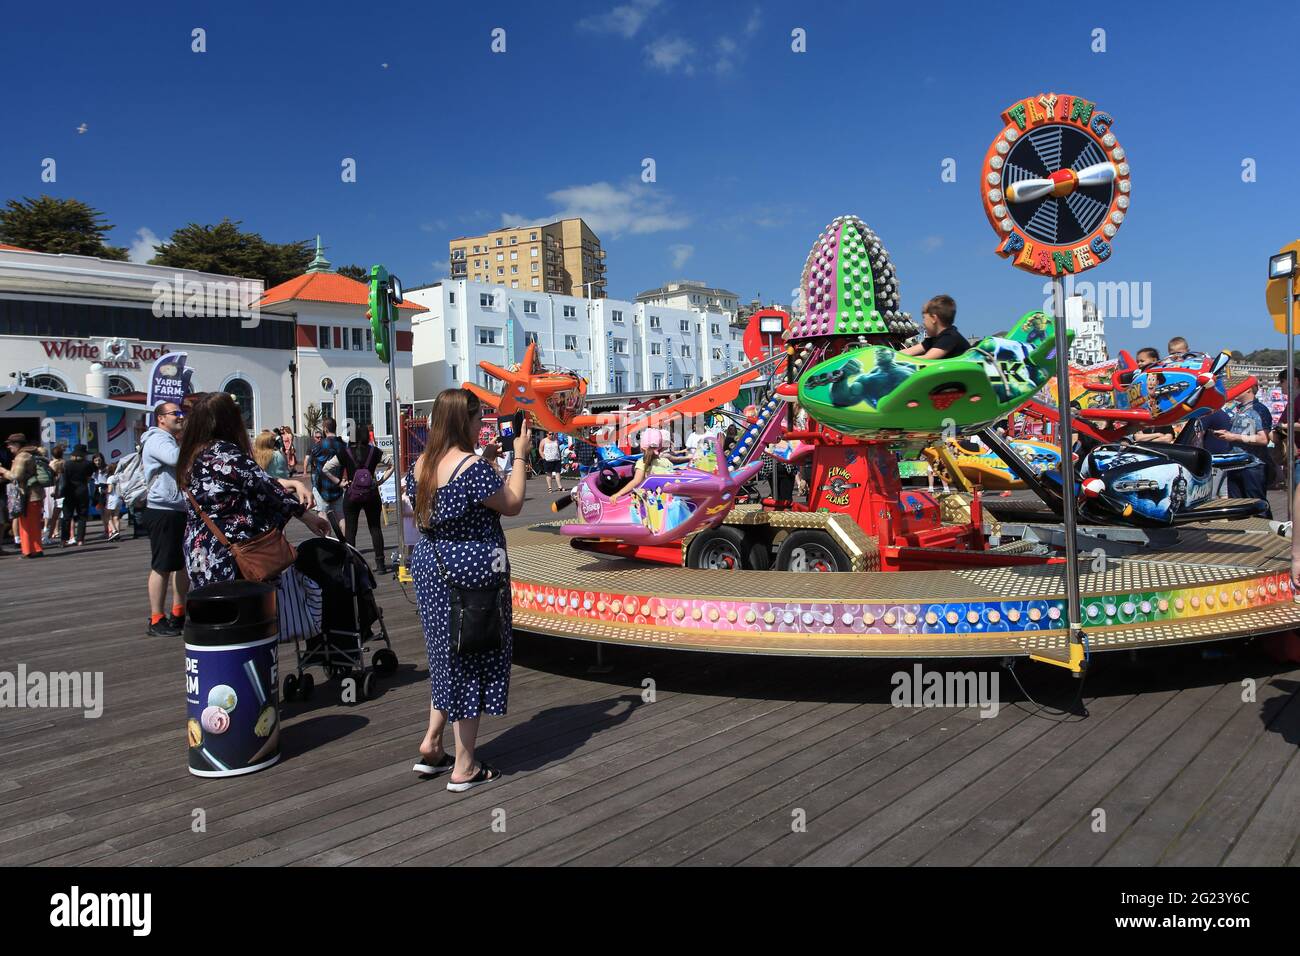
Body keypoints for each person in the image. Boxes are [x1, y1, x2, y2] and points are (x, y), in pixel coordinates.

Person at [408, 388, 528, 791]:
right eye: (478, 420)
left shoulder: (421, 464)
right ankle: (464, 765)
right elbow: (511, 503)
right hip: (470, 576)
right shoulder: (472, 467)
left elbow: (447, 504)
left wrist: (489, 461)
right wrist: (521, 454)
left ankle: (432, 742)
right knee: (472, 658)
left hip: (430, 566)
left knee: (446, 654)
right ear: (464, 421)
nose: (482, 427)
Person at [178, 393, 328, 589]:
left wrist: (293, 484)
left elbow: (241, 484)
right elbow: (265, 488)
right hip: (232, 553)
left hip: (199, 551)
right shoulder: (228, 455)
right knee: (246, 611)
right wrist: (308, 516)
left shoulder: (191, 457)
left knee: (210, 609)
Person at [141, 401, 191, 636]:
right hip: (163, 509)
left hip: (175, 508)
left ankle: (178, 612)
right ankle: (156, 618)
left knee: (181, 564)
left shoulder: (170, 439)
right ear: (161, 418)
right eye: (176, 414)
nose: (180, 417)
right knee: (162, 565)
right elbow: (175, 459)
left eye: (181, 413)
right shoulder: (158, 439)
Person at [340, 433, 394, 573]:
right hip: (371, 493)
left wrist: (340, 482)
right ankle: (380, 563)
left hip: (352, 494)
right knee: (375, 528)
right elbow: (392, 464)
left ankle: (352, 564)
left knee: (351, 530)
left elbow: (327, 468)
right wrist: (380, 482)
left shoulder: (346, 452)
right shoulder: (374, 451)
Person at [1214, 384, 1272, 511]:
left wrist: (1233, 437)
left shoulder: (1258, 409)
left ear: (1248, 389)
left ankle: (1262, 529)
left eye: (1238, 387)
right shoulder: (1241, 410)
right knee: (1237, 506)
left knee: (1255, 505)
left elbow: (1263, 439)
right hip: (1236, 464)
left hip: (1252, 465)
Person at [0, 433, 47, 558]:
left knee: (26, 524)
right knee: (34, 524)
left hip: (28, 495)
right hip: (34, 494)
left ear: (17, 444)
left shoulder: (21, 456)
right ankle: (36, 548)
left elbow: (16, 476)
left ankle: (28, 551)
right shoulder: (30, 454)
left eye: (10, 445)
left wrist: (3, 471)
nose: (9, 447)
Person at [309, 417, 348, 536]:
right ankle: (345, 544)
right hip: (337, 484)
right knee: (341, 516)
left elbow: (312, 462)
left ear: (325, 429)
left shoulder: (318, 445)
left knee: (322, 514)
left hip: (322, 485)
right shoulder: (343, 445)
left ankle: (328, 541)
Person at [902, 295, 968, 359]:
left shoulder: (950, 336)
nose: (923, 322)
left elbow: (926, 359)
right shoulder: (932, 340)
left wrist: (900, 362)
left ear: (933, 319)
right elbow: (905, 353)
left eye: (924, 318)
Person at [59, 444, 96, 546]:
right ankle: (80, 539)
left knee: (67, 516)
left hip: (69, 491)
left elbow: (64, 479)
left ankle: (63, 540)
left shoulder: (67, 464)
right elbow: (88, 479)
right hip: (82, 491)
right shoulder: (88, 464)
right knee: (82, 516)